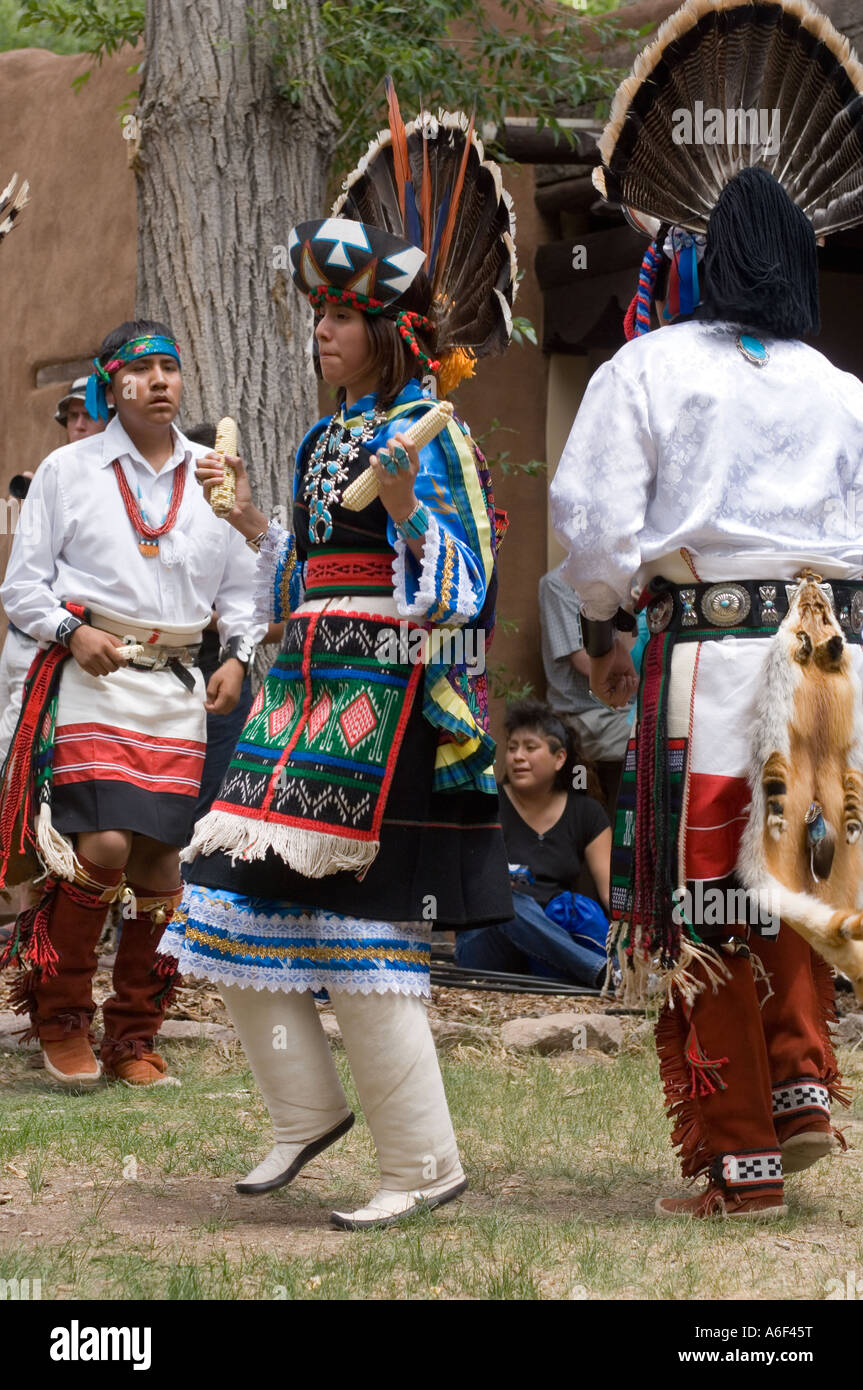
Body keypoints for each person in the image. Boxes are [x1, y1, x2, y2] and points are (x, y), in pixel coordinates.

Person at [160, 91, 517, 1230]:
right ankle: (301, 1113)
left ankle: (422, 1162)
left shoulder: (437, 434)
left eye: (341, 315)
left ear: (393, 331)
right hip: (300, 699)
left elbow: (467, 587)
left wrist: (413, 505)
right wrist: (256, 518)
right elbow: (302, 573)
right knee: (221, 902)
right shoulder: (323, 434)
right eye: (317, 311)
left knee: (361, 934)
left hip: (388, 708)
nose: (320, 330)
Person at [550, 0, 863, 1219]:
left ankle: (737, 1153)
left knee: (706, 900)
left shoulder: (652, 366)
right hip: (828, 654)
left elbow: (588, 521)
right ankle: (800, 1090)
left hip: (711, 658)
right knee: (794, 878)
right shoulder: (838, 388)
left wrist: (604, 600)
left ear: (697, 261)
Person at [0, 320, 264, 1087]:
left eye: (169, 369)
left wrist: (240, 656)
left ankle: (135, 1036)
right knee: (104, 846)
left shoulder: (216, 477)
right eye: (141, 370)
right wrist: (68, 632)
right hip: (92, 678)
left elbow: (244, 588)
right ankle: (60, 1018)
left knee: (160, 862)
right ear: (110, 384)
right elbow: (22, 584)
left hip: (178, 683)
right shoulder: (68, 469)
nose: (159, 382)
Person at [455, 700, 612, 987]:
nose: (517, 757)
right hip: (486, 943)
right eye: (512, 747)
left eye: (530, 747)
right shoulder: (486, 802)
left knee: (575, 908)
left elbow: (611, 894)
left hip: (549, 945)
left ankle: (596, 965)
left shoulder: (586, 813)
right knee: (507, 902)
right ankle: (602, 974)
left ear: (559, 758)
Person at [540, 561, 634, 810]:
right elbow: (584, 662)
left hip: (625, 709)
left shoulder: (633, 581)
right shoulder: (558, 583)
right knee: (651, 738)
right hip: (585, 715)